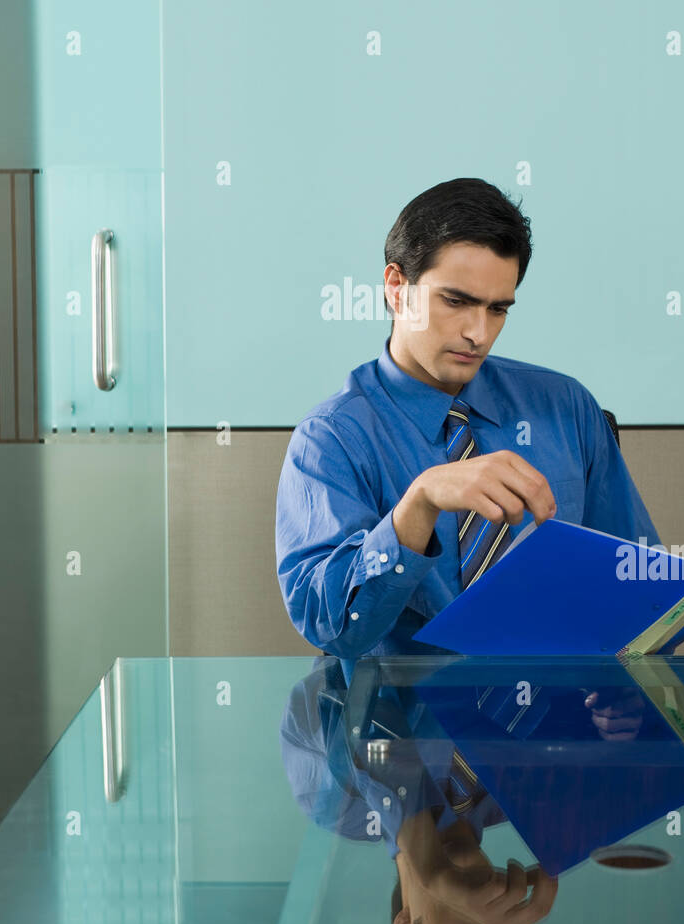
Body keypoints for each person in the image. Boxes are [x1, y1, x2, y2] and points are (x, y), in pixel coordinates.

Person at [275, 177, 661, 659]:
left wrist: (625, 690)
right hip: (405, 727)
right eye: (455, 301)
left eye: (497, 309)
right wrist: (418, 505)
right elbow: (331, 630)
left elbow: (639, 585)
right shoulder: (331, 438)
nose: (478, 334)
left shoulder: (566, 407)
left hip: (557, 721)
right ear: (397, 288)